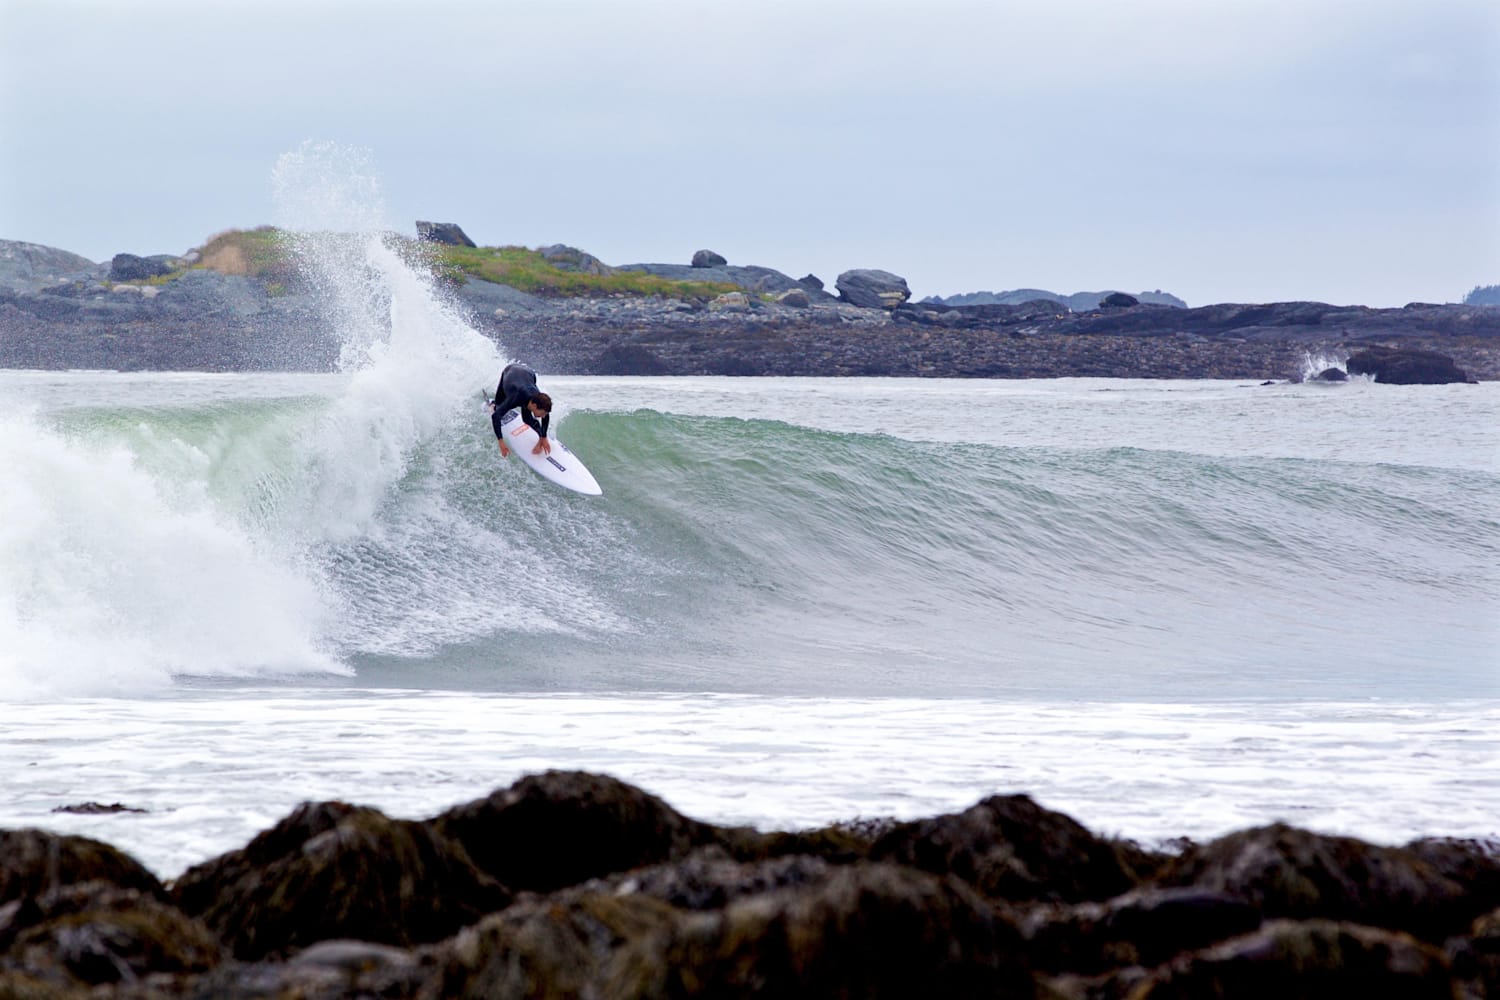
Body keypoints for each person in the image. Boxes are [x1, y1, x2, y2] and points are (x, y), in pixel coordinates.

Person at [489, 362, 552, 458]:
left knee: (526, 419)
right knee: (498, 407)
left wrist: (543, 437)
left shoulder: (539, 399)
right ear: (534, 405)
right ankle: (494, 404)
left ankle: (540, 436)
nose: (544, 416)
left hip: (528, 373)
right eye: (542, 413)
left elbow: (546, 414)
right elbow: (495, 416)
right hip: (510, 371)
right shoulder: (515, 397)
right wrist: (501, 441)